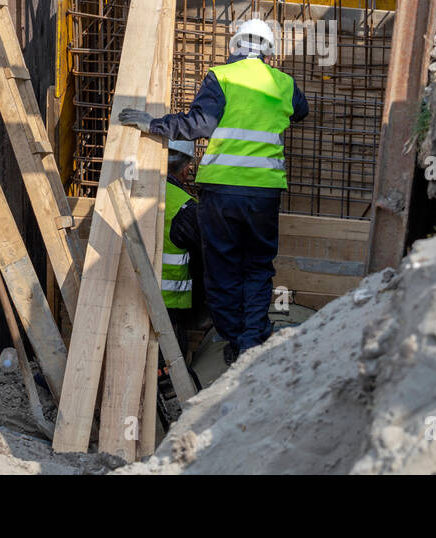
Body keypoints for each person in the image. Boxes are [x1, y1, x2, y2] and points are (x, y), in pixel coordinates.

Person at [119, 18, 308, 366]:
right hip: (264, 194)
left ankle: (235, 340)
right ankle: (253, 341)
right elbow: (301, 111)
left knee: (222, 268)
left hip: (222, 192)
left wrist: (153, 124)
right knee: (258, 267)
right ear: (269, 52)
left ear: (234, 46)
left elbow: (198, 125)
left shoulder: (220, 77)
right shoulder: (284, 83)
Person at [162, 140, 202, 357]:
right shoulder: (185, 207)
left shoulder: (133, 189)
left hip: (126, 294)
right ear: (186, 169)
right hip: (169, 305)